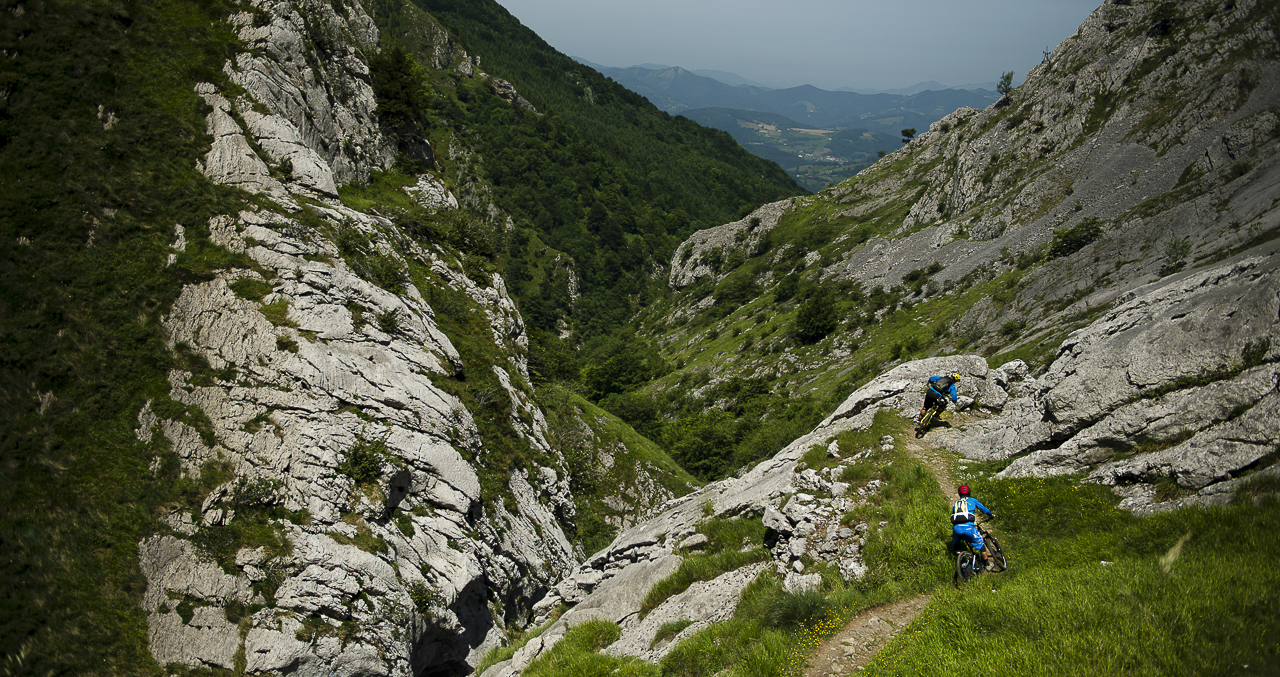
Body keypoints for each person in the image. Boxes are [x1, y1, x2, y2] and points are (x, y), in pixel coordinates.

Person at [950, 484, 996, 570]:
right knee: (981, 545)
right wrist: (990, 514)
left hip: (956, 528)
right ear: (969, 493)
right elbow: (983, 509)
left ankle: (962, 562)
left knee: (957, 545)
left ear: (959, 494)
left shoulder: (956, 503)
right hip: (969, 528)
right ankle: (987, 565)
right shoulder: (972, 500)